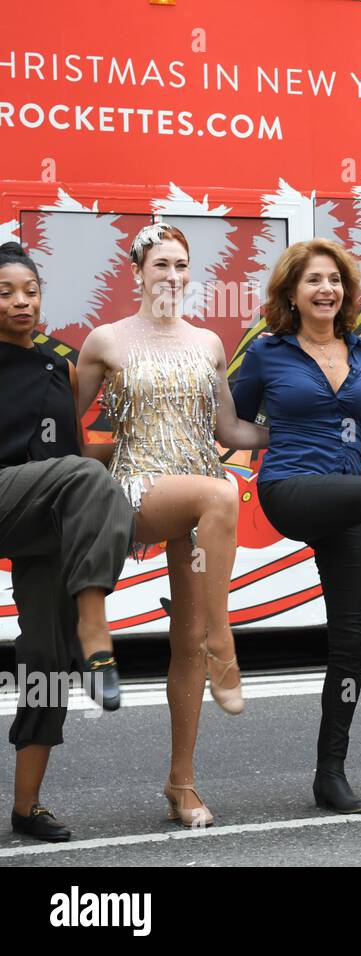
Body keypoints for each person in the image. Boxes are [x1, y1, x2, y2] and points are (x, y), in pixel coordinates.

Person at [76, 223, 267, 827]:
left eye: (182, 265)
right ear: (137, 272)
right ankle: (225, 644)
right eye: (161, 265)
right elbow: (61, 432)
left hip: (200, 502)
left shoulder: (209, 342)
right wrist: (97, 477)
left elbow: (230, 433)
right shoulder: (105, 341)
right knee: (221, 492)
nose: (174, 276)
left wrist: (296, 432)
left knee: (183, 644)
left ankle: (181, 783)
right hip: (138, 491)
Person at [232, 239, 361, 813]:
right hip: (290, 488)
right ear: (292, 293)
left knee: (344, 642)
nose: (326, 289)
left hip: (347, 498)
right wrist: (276, 438)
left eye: (334, 279)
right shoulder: (269, 353)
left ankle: (330, 773)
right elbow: (232, 419)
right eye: (313, 280)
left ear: (346, 291)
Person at [1, 242, 133, 842]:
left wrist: (148, 443)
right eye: (5, 292)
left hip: (44, 516)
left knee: (45, 661)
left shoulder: (61, 367)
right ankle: (95, 630)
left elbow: (74, 456)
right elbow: (79, 473)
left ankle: (26, 807)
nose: (20, 302)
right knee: (86, 478)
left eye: (29, 291)